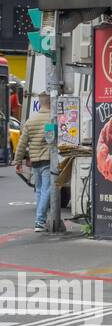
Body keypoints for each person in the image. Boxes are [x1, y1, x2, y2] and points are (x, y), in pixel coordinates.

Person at [15, 91, 53, 233]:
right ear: (51, 102)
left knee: (39, 190)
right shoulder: (52, 119)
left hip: (35, 160)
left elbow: (22, 143)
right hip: (47, 160)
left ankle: (39, 220)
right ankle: (40, 221)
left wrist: (18, 161)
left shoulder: (31, 120)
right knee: (46, 190)